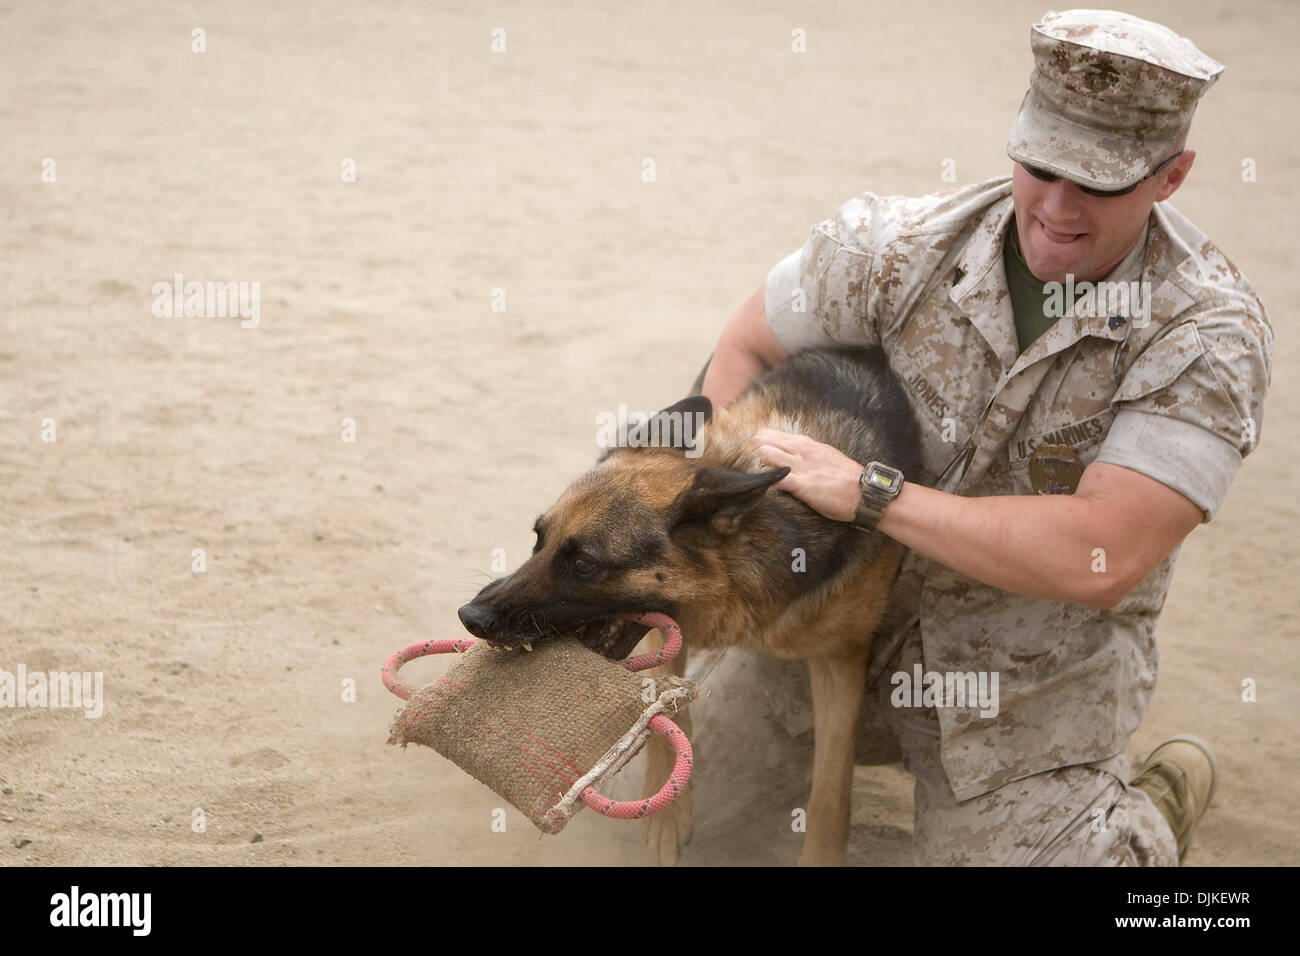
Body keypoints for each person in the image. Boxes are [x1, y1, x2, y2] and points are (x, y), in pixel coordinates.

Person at [686, 9, 1272, 866]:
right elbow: (746, 345)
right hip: (822, 626)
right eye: (1039, 165)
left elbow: (1100, 555)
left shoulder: (1207, 335)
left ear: (1172, 176)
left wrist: (872, 496)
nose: (1058, 208)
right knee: (673, 833)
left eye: (1100, 182)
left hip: (1024, 683)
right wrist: (712, 514)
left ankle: (1146, 816)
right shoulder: (895, 246)